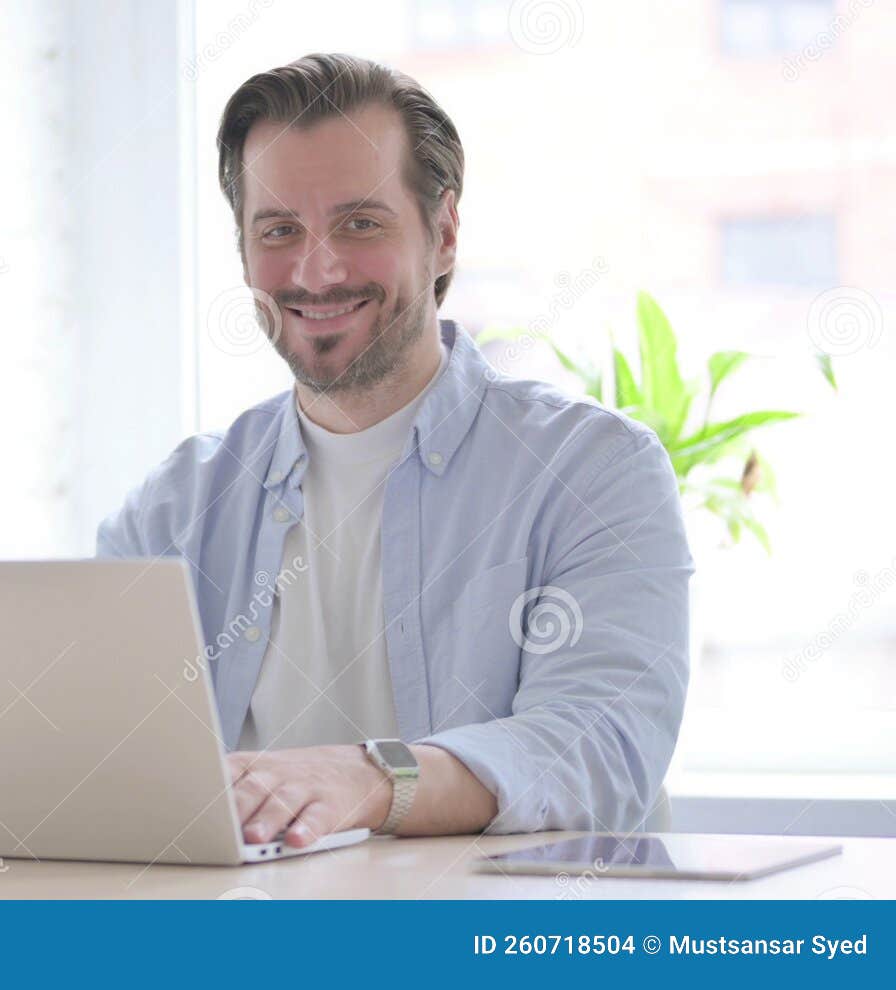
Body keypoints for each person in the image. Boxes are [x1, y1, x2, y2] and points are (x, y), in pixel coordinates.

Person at [97, 53, 691, 846]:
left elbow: (598, 751)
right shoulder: (174, 507)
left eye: (360, 224)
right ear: (243, 252)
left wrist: (372, 777)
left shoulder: (593, 471)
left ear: (443, 236)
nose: (318, 269)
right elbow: (100, 763)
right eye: (279, 231)